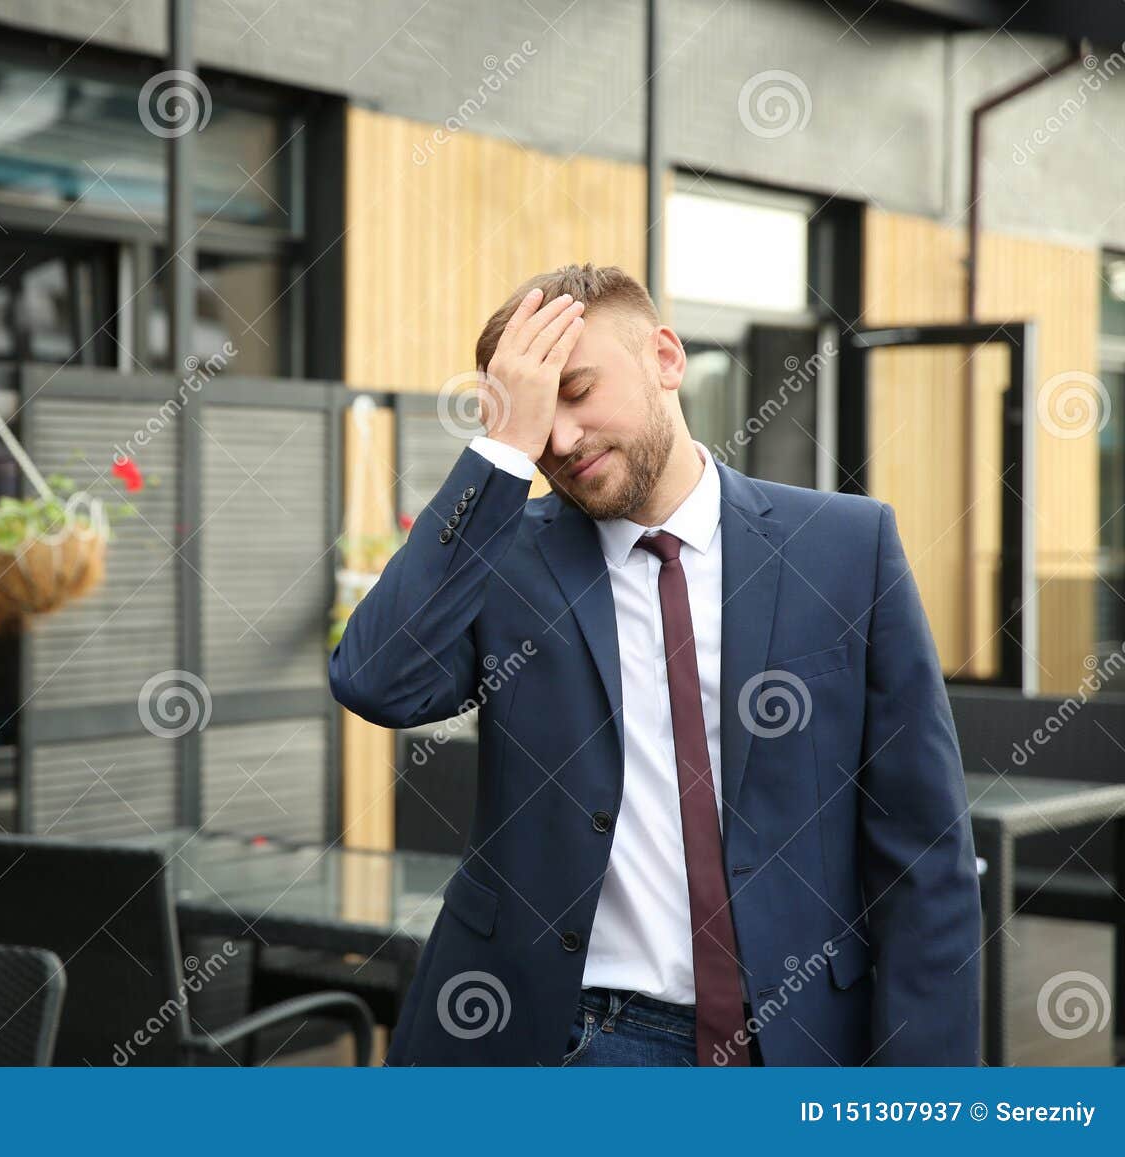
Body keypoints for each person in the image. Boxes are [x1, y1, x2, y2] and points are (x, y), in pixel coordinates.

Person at [329, 264, 981, 1066]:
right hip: (560, 1040)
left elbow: (924, 848)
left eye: (576, 390)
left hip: (791, 1041)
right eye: (534, 417)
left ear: (666, 357)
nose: (559, 440)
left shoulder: (847, 548)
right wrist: (499, 452)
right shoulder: (504, 562)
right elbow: (375, 678)